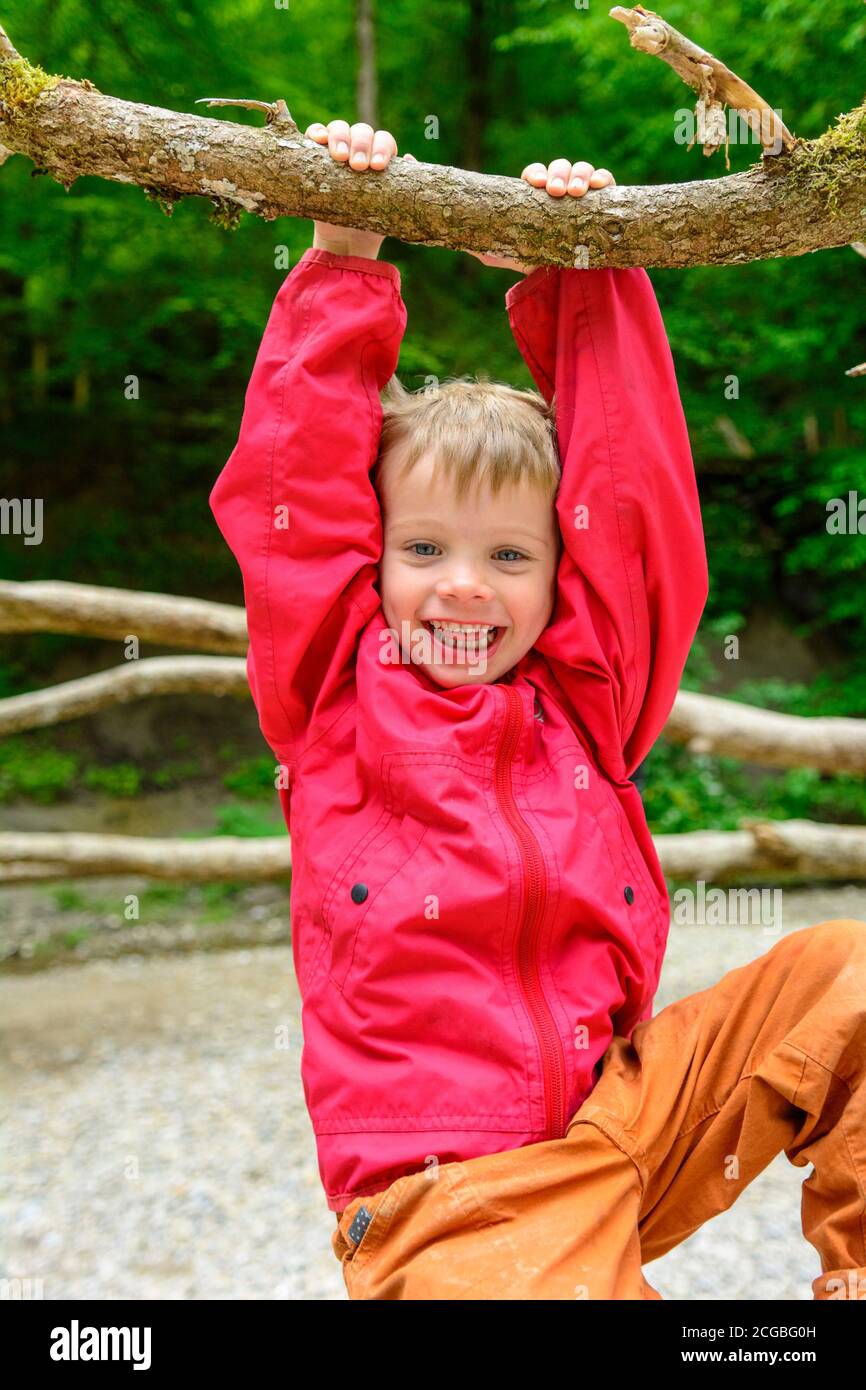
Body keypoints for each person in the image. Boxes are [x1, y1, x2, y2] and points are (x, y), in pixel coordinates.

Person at [209, 120, 866, 1300]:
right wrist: (343, 252)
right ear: (373, 558)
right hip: (448, 1197)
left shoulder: (585, 702)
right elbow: (291, 500)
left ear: (558, 579)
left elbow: (626, 504)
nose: (464, 583)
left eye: (509, 554)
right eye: (422, 547)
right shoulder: (332, 693)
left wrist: (582, 268)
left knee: (851, 981)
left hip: (615, 1130)